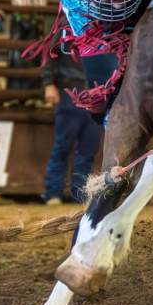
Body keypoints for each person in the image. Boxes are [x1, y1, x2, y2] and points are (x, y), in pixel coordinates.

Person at [41, 36, 102, 204]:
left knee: (88, 147)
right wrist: (48, 83)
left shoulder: (99, 29)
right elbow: (50, 53)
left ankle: (79, 193)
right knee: (64, 145)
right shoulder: (65, 28)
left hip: (95, 91)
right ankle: (53, 192)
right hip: (71, 89)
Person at [7, 0, 48, 93]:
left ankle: (32, 91)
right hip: (19, 16)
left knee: (34, 53)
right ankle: (16, 92)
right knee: (16, 53)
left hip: (35, 17)